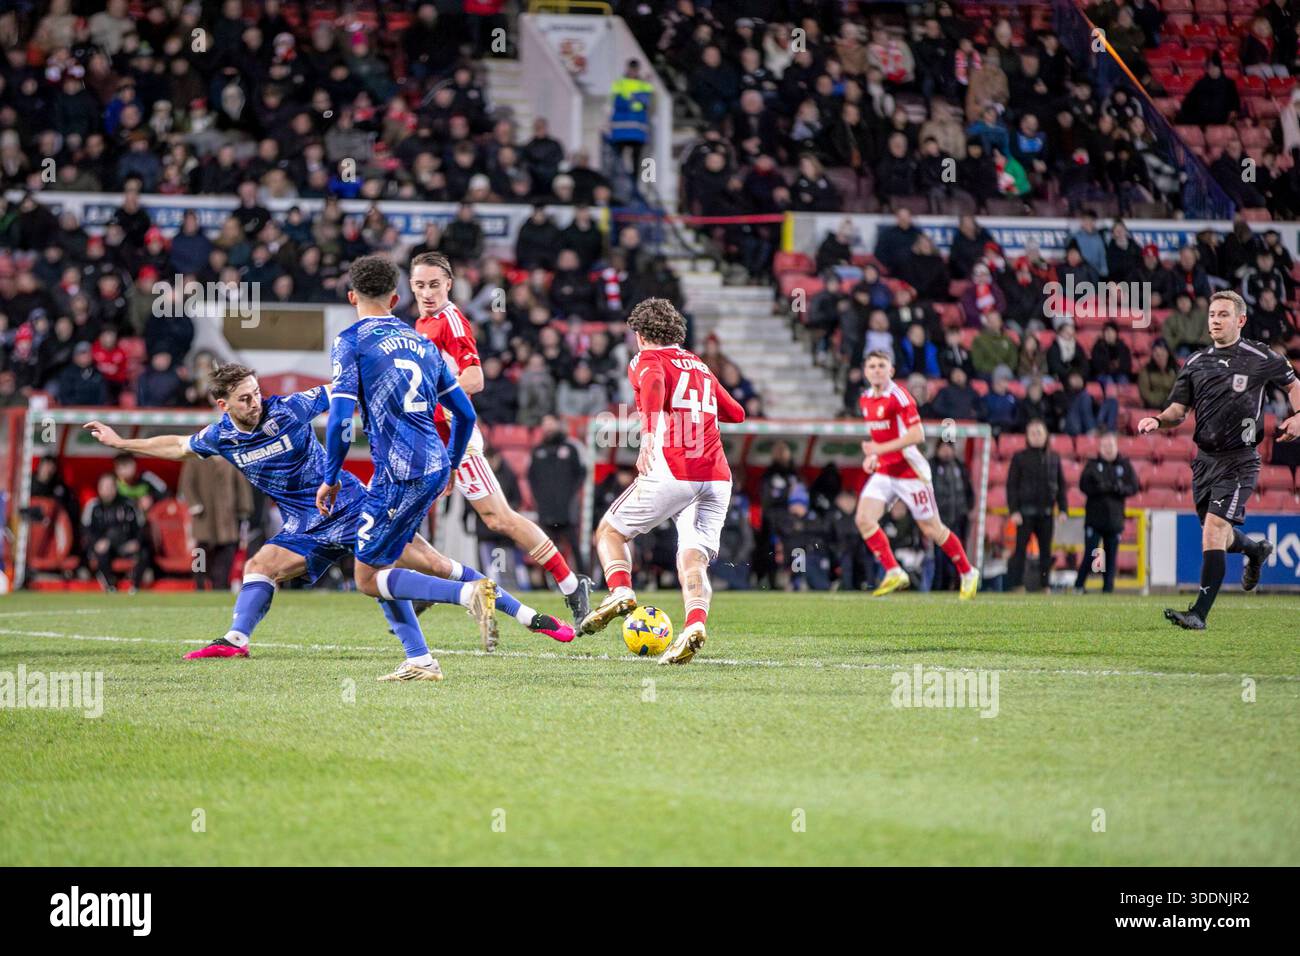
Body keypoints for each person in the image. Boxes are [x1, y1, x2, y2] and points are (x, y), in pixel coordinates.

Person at [86, 361, 572, 666]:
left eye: (256, 392)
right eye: (245, 398)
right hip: (304, 527)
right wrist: (121, 441)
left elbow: (343, 392)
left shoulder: (289, 407)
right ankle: (236, 638)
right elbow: (175, 445)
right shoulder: (222, 437)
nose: (256, 402)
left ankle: (529, 616)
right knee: (261, 568)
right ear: (223, 405)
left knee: (428, 566)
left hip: (351, 504)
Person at [316, 257, 580, 680]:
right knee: (418, 559)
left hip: (399, 473)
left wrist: (330, 478)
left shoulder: (351, 341)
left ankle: (467, 595)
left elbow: (342, 420)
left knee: (367, 577)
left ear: (352, 297)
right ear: (398, 297)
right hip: (436, 463)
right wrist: (451, 466)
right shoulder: (419, 341)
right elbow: (466, 414)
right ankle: (511, 623)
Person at [409, 252, 591, 622]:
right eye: (419, 285)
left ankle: (572, 584)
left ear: (449, 285)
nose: (427, 292)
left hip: (455, 441)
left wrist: (432, 400)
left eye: (433, 285)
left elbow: (475, 379)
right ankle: (429, 584)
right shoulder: (421, 323)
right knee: (405, 515)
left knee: (499, 519)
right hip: (427, 440)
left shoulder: (451, 321)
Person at [578, 298, 746, 665]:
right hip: (717, 477)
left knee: (609, 532)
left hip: (675, 470)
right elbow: (737, 412)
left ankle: (620, 590)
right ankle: (695, 624)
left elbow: (653, 382)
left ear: (639, 335)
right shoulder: (699, 365)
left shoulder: (646, 359)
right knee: (693, 556)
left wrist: (650, 436)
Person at [1139, 290, 1300, 629]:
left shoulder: (1259, 356)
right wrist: (1158, 420)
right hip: (1205, 461)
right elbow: (1178, 411)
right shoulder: (1196, 363)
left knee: (1213, 531)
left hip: (1240, 460)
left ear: (1240, 320)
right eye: (1212, 314)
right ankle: (1255, 551)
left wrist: (1299, 416)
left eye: (1223, 314)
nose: (1215, 319)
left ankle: (1198, 614)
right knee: (1221, 537)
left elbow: (1293, 384)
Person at [854, 350, 980, 599]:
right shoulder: (866, 399)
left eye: (882, 365)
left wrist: (878, 449)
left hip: (910, 472)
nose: (877, 370)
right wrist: (874, 457)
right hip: (885, 471)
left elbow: (917, 435)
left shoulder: (899, 396)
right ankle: (893, 570)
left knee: (931, 529)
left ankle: (967, 571)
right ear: (866, 372)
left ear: (891, 370)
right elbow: (882, 436)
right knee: (863, 519)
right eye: (872, 366)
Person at [1074, 431, 1139, 593]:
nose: (1108, 449)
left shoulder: (1124, 465)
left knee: (1110, 558)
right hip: (1094, 519)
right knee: (1091, 554)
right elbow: (1083, 486)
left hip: (1114, 520)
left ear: (1116, 446)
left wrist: (1119, 488)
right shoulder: (1092, 465)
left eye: (1111, 445)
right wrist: (1099, 488)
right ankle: (1079, 586)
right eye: (1105, 446)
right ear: (1100, 447)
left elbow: (1134, 487)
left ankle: (1108, 590)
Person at [1006, 418, 1067, 591]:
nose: (1036, 436)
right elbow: (1012, 485)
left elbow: (1061, 485)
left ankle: (1044, 585)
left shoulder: (1054, 458)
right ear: (1027, 436)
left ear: (1046, 435)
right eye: (1032, 433)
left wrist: (1063, 508)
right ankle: (1017, 585)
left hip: (1047, 513)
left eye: (1039, 432)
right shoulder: (1019, 458)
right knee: (1019, 551)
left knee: (1046, 552)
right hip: (1024, 513)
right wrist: (1014, 510)